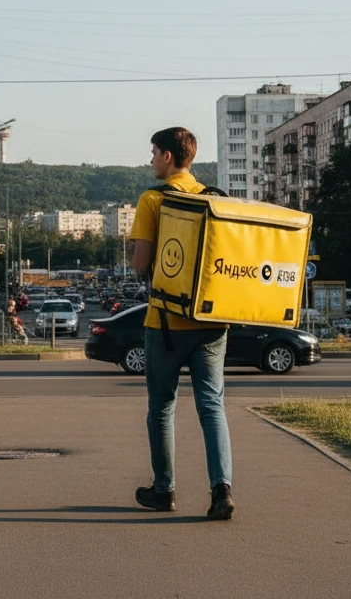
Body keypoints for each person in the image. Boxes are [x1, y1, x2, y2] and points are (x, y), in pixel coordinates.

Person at [129, 127, 234, 521]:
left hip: (165, 323)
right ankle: (221, 490)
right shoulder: (215, 199)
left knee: (161, 408)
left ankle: (164, 490)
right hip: (211, 323)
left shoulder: (153, 199)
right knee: (212, 406)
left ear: (169, 156)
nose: (151, 160)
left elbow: (140, 265)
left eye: (154, 152)